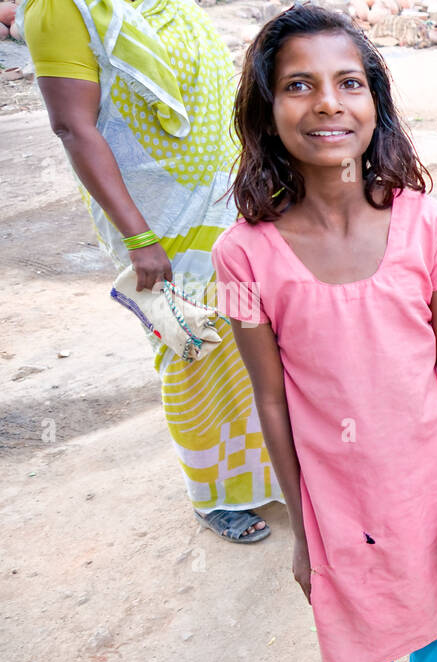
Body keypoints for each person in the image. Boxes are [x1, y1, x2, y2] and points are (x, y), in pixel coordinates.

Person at [213, 7, 437, 662]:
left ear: (376, 101)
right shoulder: (244, 254)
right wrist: (305, 530)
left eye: (348, 82)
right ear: (266, 111)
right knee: (359, 657)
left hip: (429, 487)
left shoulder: (422, 221)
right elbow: (270, 402)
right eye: (298, 85)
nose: (326, 104)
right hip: (339, 507)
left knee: (435, 636)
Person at [21, 0, 280, 542]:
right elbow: (73, 127)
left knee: (251, 342)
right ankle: (213, 493)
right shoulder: (60, 10)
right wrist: (139, 237)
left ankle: (269, 473)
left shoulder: (168, 4)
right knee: (192, 351)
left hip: (223, 200)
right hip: (159, 223)